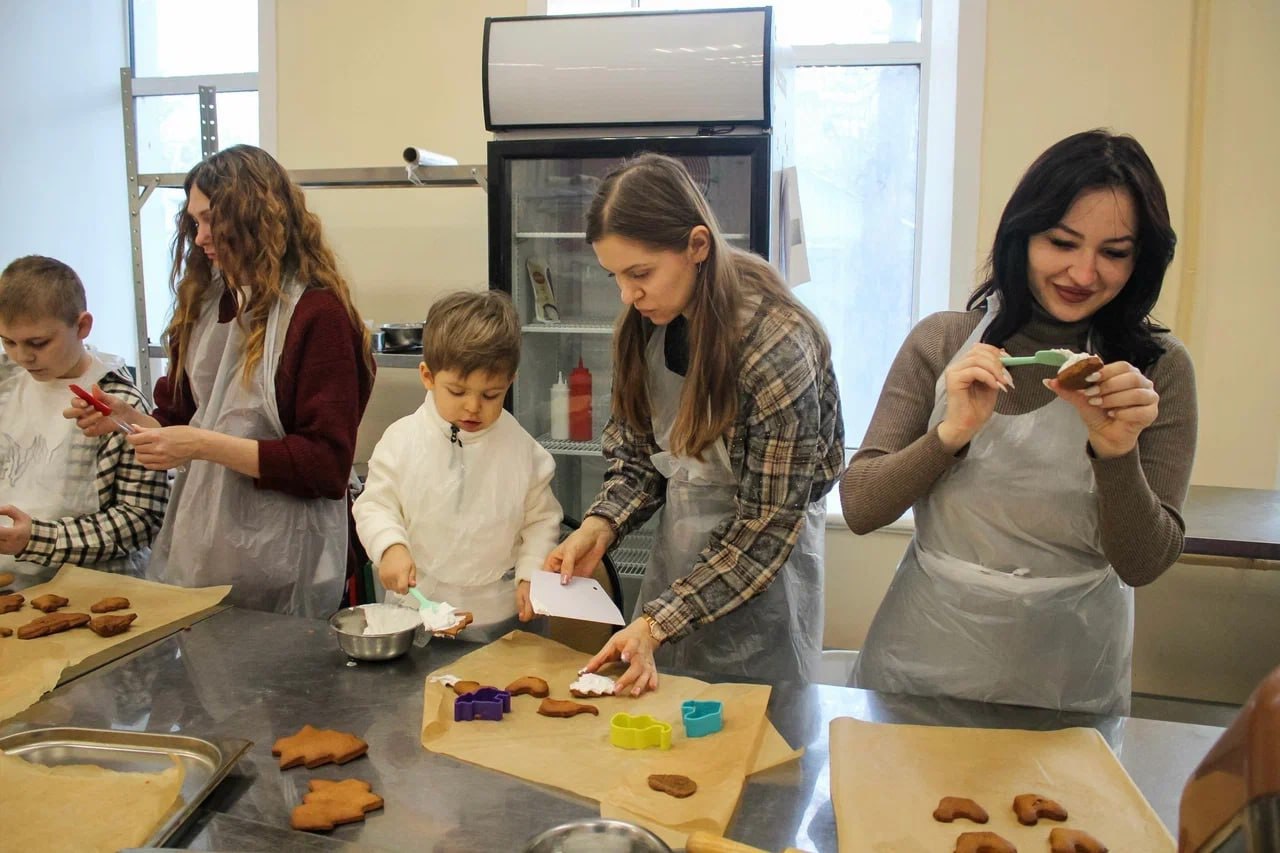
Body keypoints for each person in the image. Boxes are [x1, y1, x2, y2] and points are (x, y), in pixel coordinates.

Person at [841, 129, 1197, 715]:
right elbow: (860, 507)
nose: (1084, 272)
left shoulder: (1156, 372)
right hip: (923, 662)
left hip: (1068, 678)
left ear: (1142, 260)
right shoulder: (943, 341)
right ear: (1022, 235)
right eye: (1062, 242)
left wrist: (1115, 453)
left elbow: (1143, 563)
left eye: (1114, 252)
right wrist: (949, 434)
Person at [546, 153, 844, 695]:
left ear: (697, 246)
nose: (628, 295)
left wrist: (659, 622)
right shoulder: (646, 327)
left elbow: (764, 528)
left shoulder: (775, 347)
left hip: (765, 593)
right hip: (676, 577)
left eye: (640, 274)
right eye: (614, 276)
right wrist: (601, 525)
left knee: (757, 746)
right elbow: (639, 459)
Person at [68, 145, 375, 617]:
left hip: (287, 558)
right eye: (194, 222)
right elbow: (181, 416)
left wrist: (200, 445)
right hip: (205, 548)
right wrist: (126, 420)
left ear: (257, 215)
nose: (201, 237)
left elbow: (326, 466)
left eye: (213, 220)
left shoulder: (317, 316)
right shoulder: (207, 304)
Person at [353, 290, 562, 640]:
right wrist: (390, 547)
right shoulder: (402, 441)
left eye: (490, 395)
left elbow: (541, 522)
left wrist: (530, 575)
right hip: (417, 609)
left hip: (499, 614)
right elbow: (375, 505)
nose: (472, 408)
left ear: (510, 381)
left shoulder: (524, 451)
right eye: (457, 391)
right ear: (428, 376)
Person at [0, 255, 167, 586]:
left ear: (82, 326)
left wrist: (35, 538)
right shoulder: (5, 385)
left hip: (95, 592)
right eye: (8, 342)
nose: (23, 356)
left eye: (38, 343)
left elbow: (141, 519)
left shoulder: (121, 405)